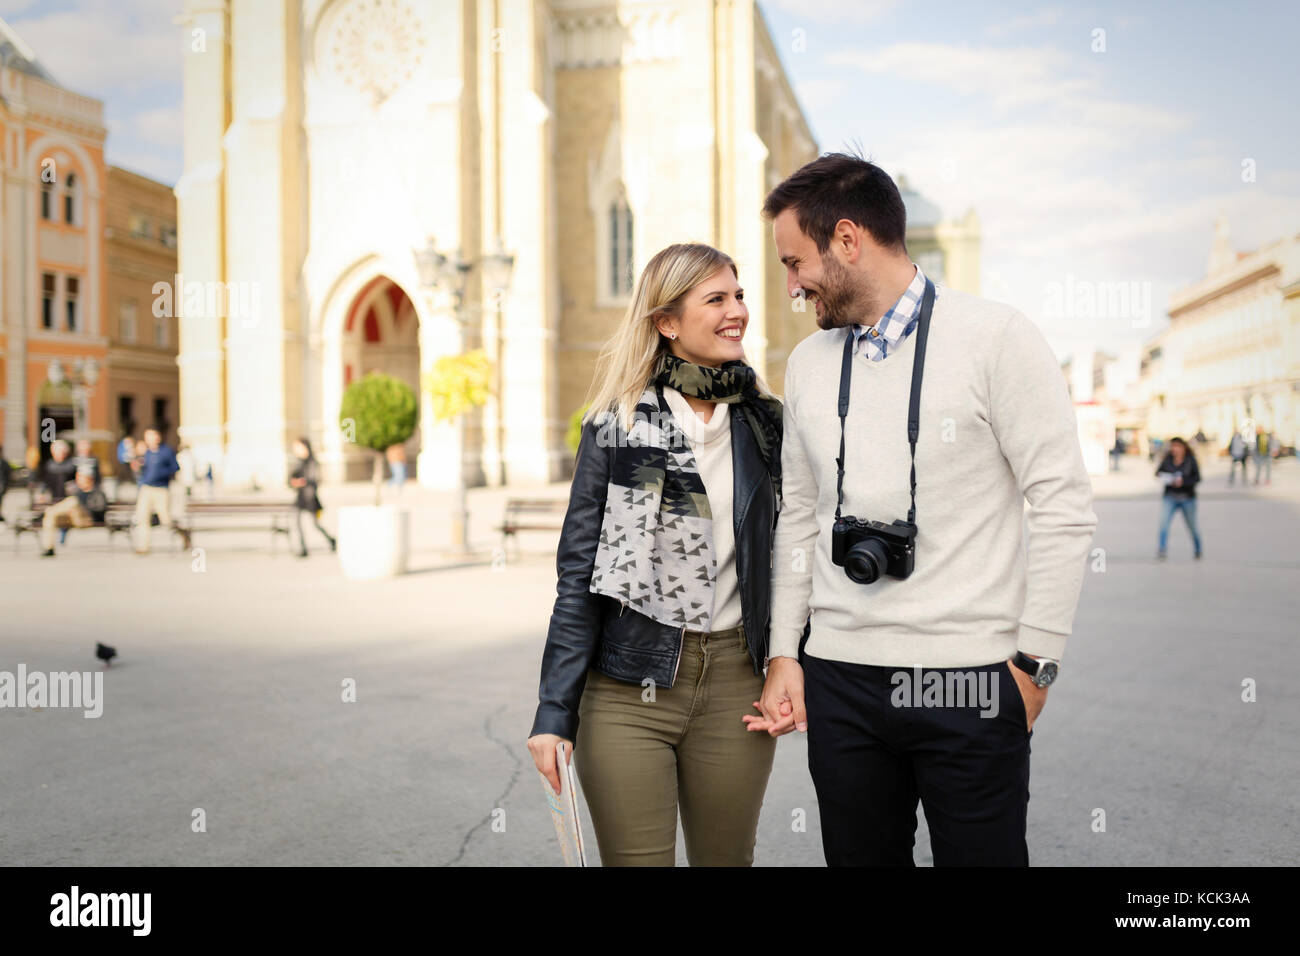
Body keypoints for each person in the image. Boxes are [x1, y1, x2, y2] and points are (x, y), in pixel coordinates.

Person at [751, 152, 1097, 866]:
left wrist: (1037, 664)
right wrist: (787, 651)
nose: (788, 287)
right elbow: (801, 516)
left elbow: (1062, 506)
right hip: (841, 679)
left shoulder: (998, 337)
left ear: (848, 240)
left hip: (970, 679)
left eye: (794, 263)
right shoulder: (810, 364)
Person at [527, 242, 785, 866]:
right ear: (667, 323)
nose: (738, 312)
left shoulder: (765, 424)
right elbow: (579, 573)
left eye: (740, 295)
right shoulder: (615, 426)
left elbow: (795, 556)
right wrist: (553, 711)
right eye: (716, 299)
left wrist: (790, 665)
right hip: (626, 685)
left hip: (735, 682)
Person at [36, 440, 96, 557]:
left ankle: (59, 538)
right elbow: (45, 484)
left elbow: (86, 484)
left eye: (62, 451)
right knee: (49, 516)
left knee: (71, 501)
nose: (60, 454)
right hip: (60, 508)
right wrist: (42, 493)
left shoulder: (73, 465)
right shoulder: (50, 466)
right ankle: (48, 548)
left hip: (77, 509)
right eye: (57, 451)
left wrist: (79, 484)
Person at [1155, 436, 1202, 560]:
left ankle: (1198, 549)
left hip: (1187, 498)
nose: (1174, 449)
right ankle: (1162, 549)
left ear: (1183, 447)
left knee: (1192, 526)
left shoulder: (1190, 460)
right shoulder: (1167, 460)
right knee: (1163, 524)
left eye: (1177, 446)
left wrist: (1184, 481)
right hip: (1170, 497)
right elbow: (1158, 473)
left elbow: (1197, 478)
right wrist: (1166, 477)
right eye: (1173, 446)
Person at [133, 428, 179, 554]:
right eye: (147, 436)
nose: (150, 439)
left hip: (161, 489)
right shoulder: (146, 452)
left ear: (158, 436)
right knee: (142, 517)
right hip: (146, 488)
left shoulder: (167, 451)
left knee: (166, 519)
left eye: (152, 435)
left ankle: (182, 535)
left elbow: (175, 467)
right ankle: (143, 546)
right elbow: (140, 469)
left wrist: (161, 474)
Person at [289, 437, 336, 557]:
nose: (296, 450)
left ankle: (331, 540)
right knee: (297, 522)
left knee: (316, 524)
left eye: (298, 447)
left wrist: (302, 482)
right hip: (300, 498)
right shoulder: (298, 462)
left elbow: (314, 480)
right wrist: (293, 482)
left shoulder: (312, 462)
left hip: (311, 499)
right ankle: (302, 548)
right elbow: (290, 479)